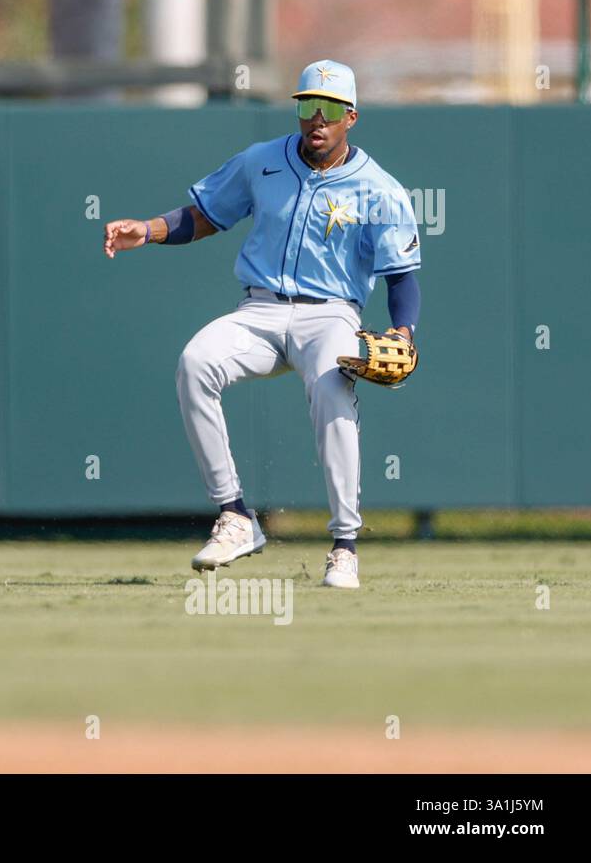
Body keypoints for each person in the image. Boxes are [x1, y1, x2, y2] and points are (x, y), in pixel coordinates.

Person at [103, 60, 422, 589]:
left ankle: (344, 545)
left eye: (330, 109)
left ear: (351, 117)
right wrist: (150, 229)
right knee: (195, 363)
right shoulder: (262, 162)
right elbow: (206, 214)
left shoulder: (380, 189)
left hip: (330, 313)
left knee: (333, 390)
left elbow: (401, 274)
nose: (316, 118)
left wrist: (404, 332)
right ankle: (234, 516)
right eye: (306, 105)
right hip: (261, 309)